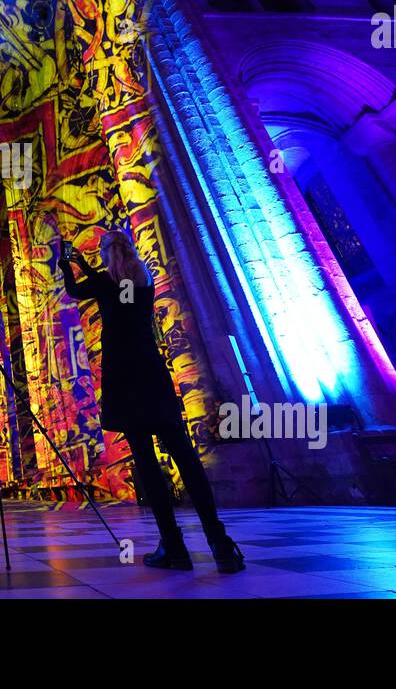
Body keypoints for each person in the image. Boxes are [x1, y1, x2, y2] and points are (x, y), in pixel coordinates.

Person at [58, 230, 245, 573]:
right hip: (151, 372)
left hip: (124, 376)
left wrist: (67, 264)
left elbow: (75, 290)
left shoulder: (101, 282)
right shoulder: (143, 280)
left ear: (103, 254)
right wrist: (85, 265)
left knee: (146, 463)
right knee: (186, 458)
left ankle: (174, 547)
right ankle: (220, 543)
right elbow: (120, 291)